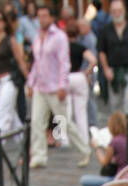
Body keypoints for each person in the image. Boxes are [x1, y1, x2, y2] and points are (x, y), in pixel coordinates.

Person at [27, 1, 92, 167]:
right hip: (40, 87)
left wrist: (63, 85)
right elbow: (36, 62)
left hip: (55, 87)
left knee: (64, 122)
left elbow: (64, 63)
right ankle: (39, 155)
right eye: (39, 16)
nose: (41, 19)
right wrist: (30, 82)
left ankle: (84, 149)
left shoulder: (59, 37)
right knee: (37, 122)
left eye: (44, 16)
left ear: (51, 17)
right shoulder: (37, 37)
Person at [97, 0, 128, 139]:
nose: (117, 13)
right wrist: (106, 69)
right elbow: (101, 52)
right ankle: (117, 133)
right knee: (115, 104)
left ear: (124, 11)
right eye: (114, 11)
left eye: (119, 10)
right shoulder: (105, 31)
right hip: (113, 70)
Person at [0, 7, 26, 136]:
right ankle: (25, 146)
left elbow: (20, 61)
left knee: (2, 115)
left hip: (8, 80)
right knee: (12, 119)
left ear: (5, 23)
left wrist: (29, 80)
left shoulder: (10, 39)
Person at [80, 106, 128, 186]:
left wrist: (97, 147)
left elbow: (104, 162)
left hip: (119, 179)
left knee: (84, 180)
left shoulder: (114, 142)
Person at [65, 17, 96, 145]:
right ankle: (84, 138)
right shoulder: (81, 47)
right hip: (78, 76)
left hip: (65, 77)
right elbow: (93, 60)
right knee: (81, 111)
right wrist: (86, 73)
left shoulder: (63, 47)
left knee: (63, 110)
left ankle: (62, 139)